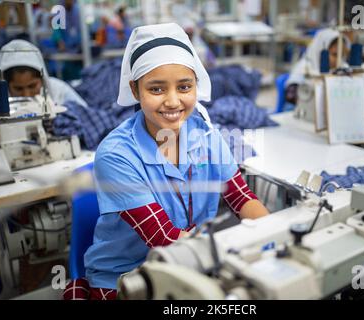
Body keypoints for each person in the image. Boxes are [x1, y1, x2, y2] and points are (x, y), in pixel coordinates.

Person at [63, 23, 269, 300]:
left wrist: (274, 237)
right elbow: (162, 238)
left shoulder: (207, 135)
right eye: (157, 89)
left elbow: (241, 197)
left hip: (191, 259)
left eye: (184, 87)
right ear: (135, 90)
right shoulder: (116, 155)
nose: (173, 102)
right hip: (128, 277)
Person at [0, 39, 87, 107]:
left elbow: (86, 115)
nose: (27, 95)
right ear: (6, 84)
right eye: (18, 89)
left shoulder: (60, 91)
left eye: (32, 86)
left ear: (42, 79)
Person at [285, 28, 350, 105]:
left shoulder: (344, 68)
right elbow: (291, 96)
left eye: (342, 55)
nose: (339, 60)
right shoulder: (304, 68)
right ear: (320, 51)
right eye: (334, 54)